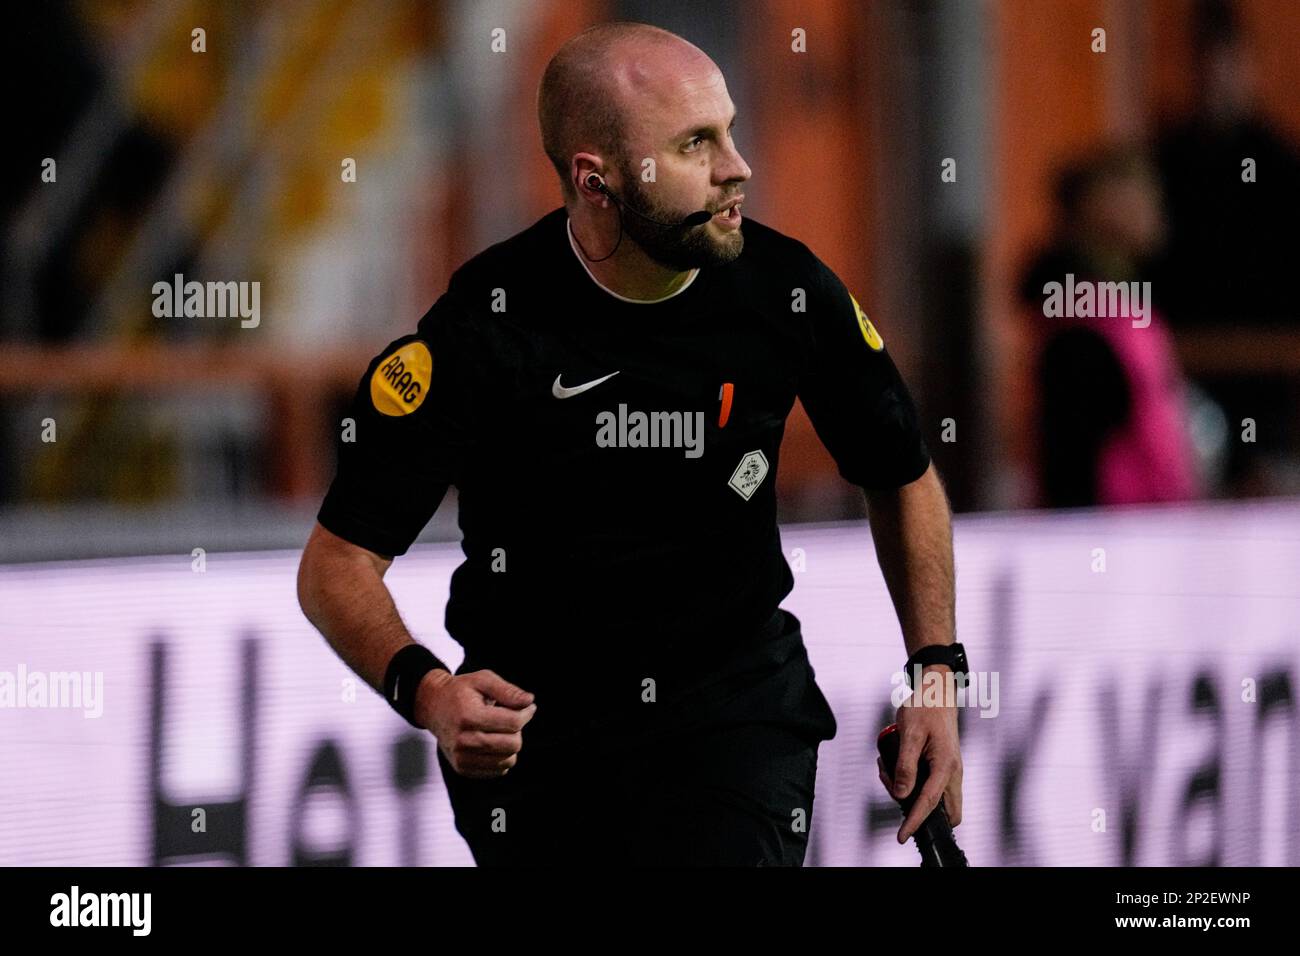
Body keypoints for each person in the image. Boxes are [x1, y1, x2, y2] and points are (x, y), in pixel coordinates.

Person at [297, 21, 963, 866]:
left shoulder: (786, 291)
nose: (737, 166)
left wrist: (936, 676)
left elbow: (901, 476)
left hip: (736, 716)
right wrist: (429, 692)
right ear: (597, 179)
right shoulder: (484, 329)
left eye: (729, 129)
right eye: (697, 144)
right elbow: (335, 564)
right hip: (538, 754)